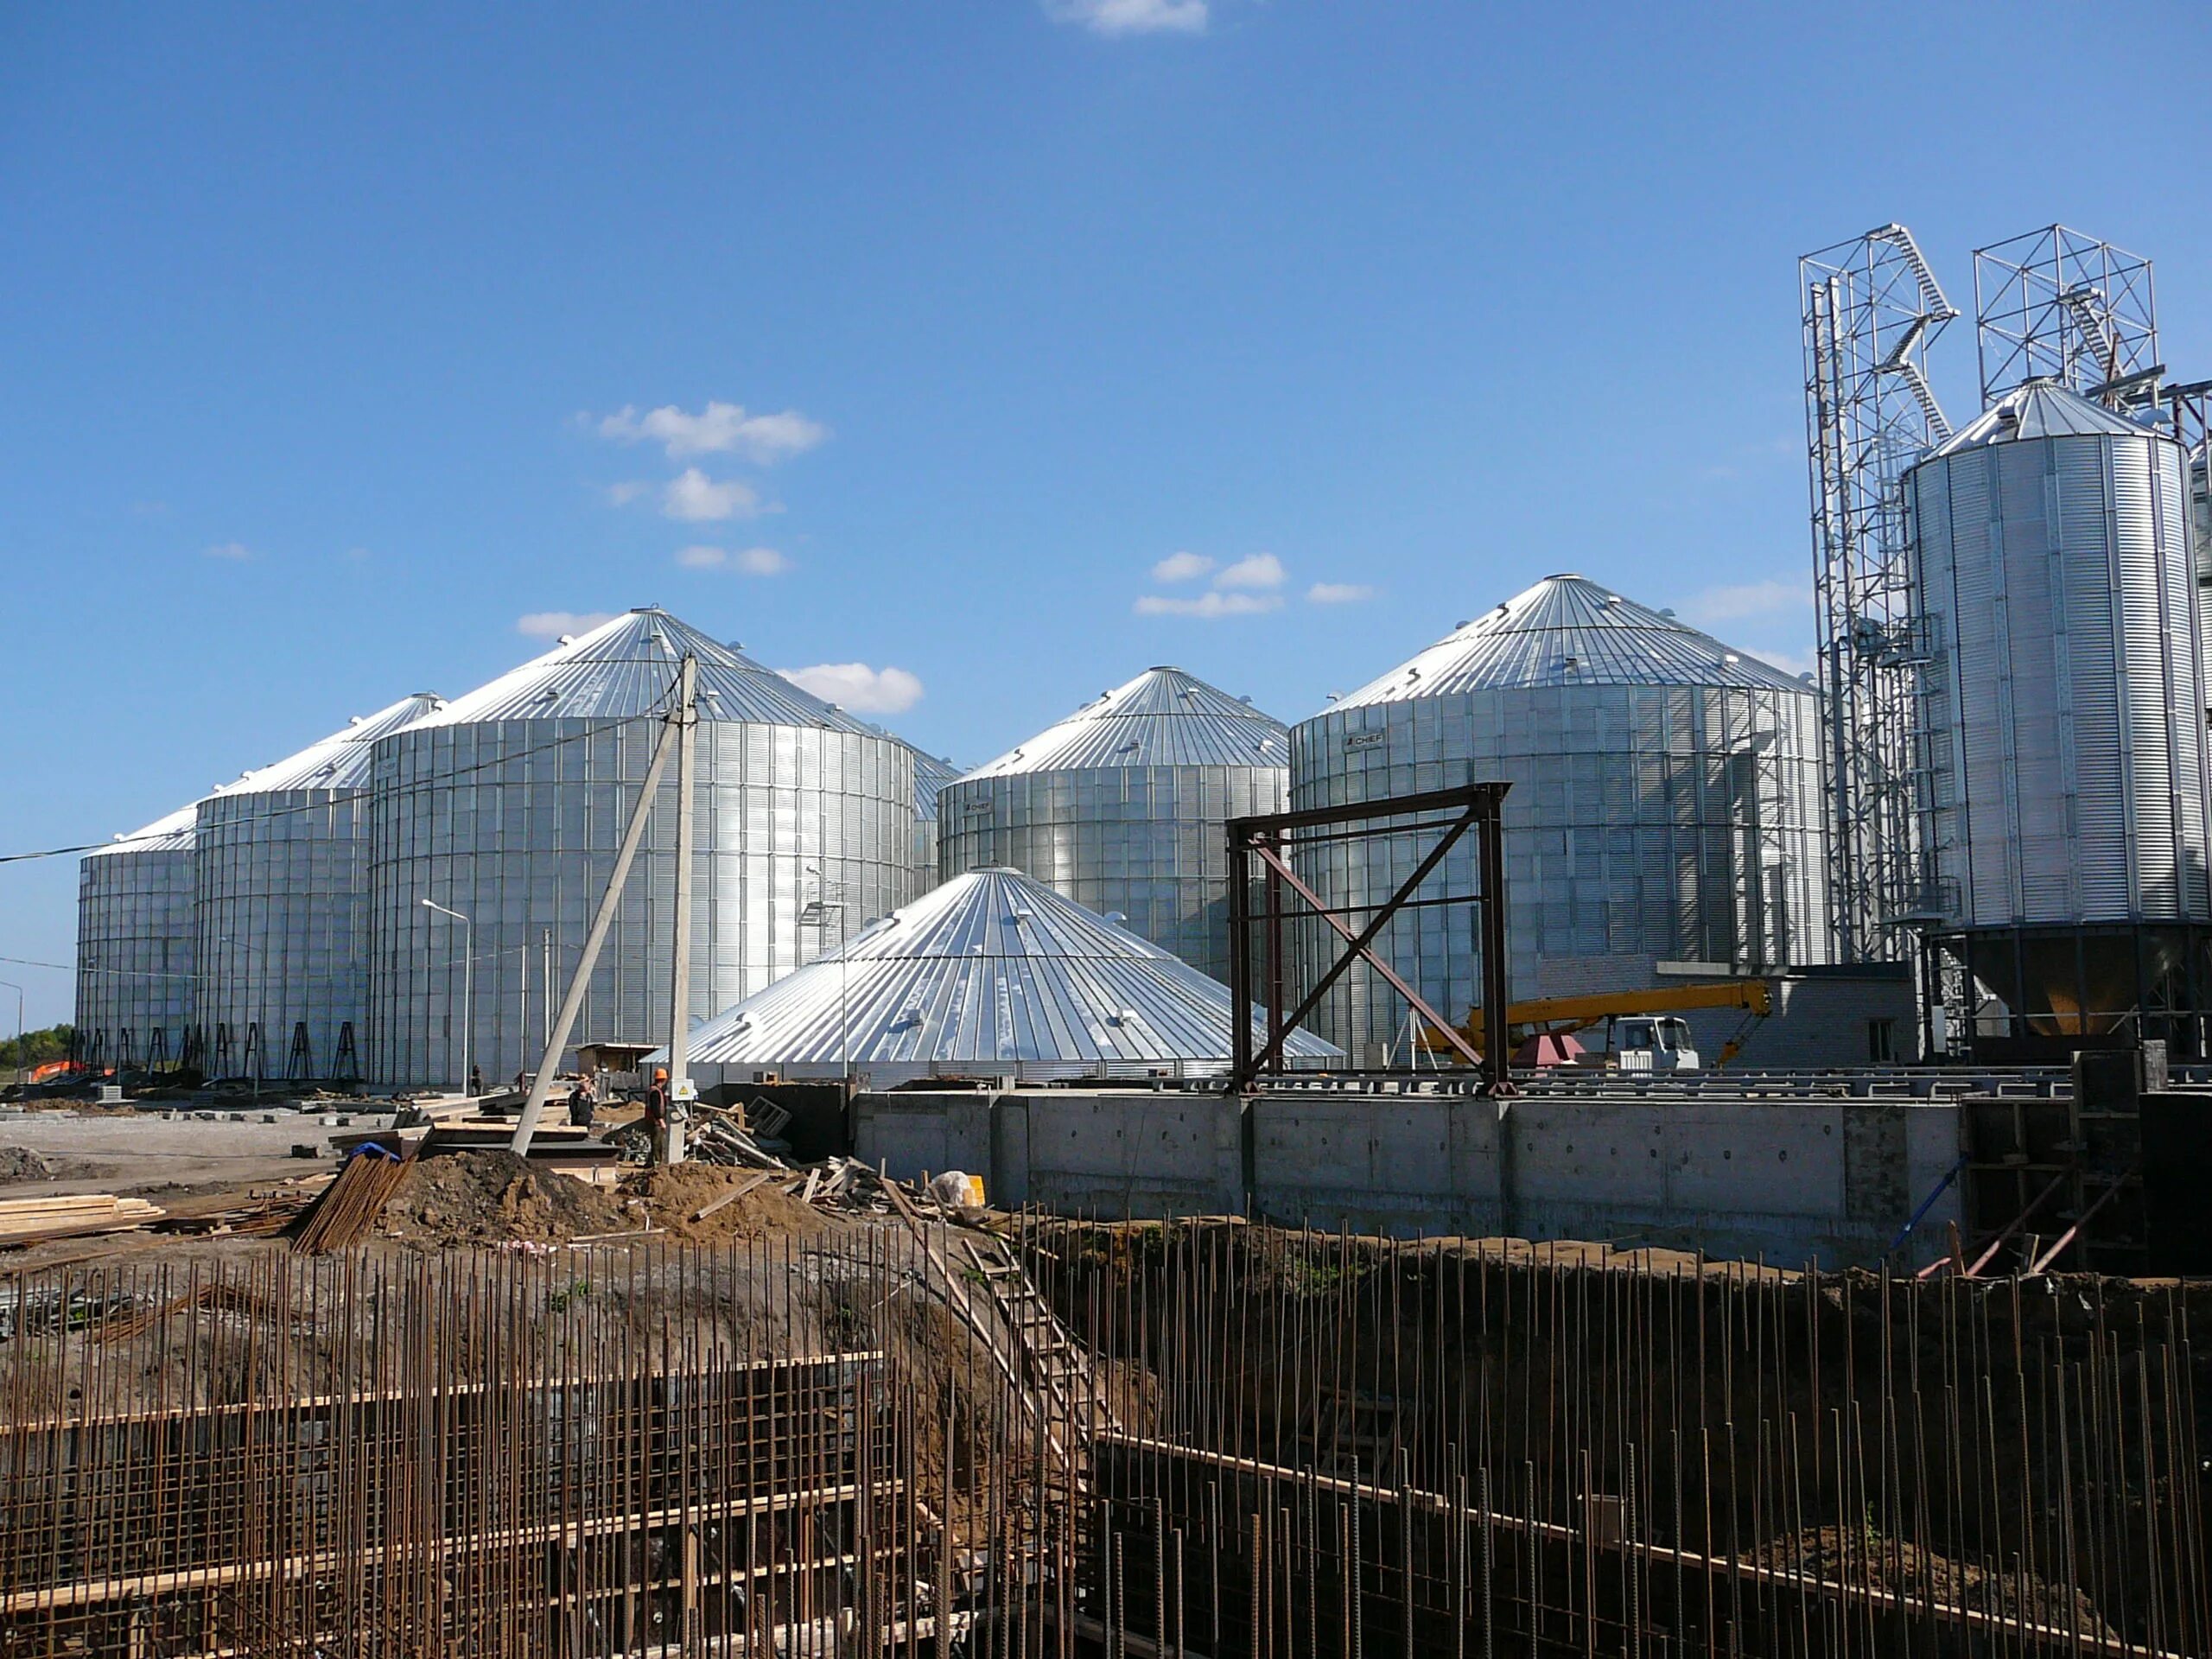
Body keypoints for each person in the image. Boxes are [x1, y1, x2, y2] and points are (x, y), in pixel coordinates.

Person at [641, 1067, 670, 1164]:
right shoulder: (655, 1092)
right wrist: (661, 1121)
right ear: (664, 1080)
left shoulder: (653, 1090)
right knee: (657, 1143)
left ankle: (650, 1163)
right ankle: (657, 1163)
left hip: (652, 1120)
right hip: (655, 1122)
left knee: (655, 1143)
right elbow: (655, 1107)